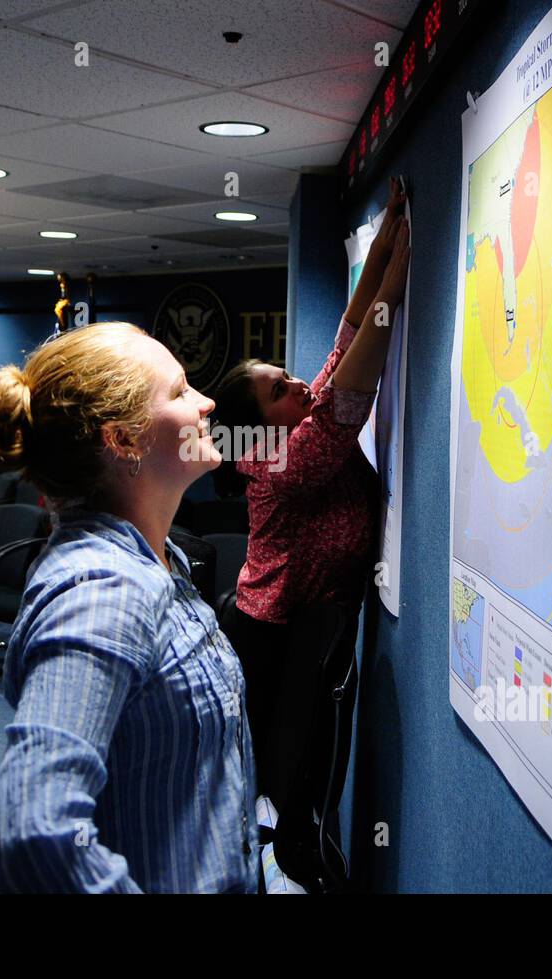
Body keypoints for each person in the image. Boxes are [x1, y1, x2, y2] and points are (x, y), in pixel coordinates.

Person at [0, 322, 258, 893]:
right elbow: (32, 832)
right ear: (123, 441)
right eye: (180, 391)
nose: (207, 401)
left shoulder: (159, 561)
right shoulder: (104, 590)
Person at [211, 178, 410, 790]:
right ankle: (276, 864)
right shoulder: (282, 461)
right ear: (259, 424)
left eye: (287, 375)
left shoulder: (296, 416)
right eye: (279, 390)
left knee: (301, 758)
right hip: (275, 630)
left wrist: (385, 243)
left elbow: (345, 340)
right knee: (285, 765)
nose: (298, 385)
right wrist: (397, 282)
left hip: (300, 620)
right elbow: (352, 393)